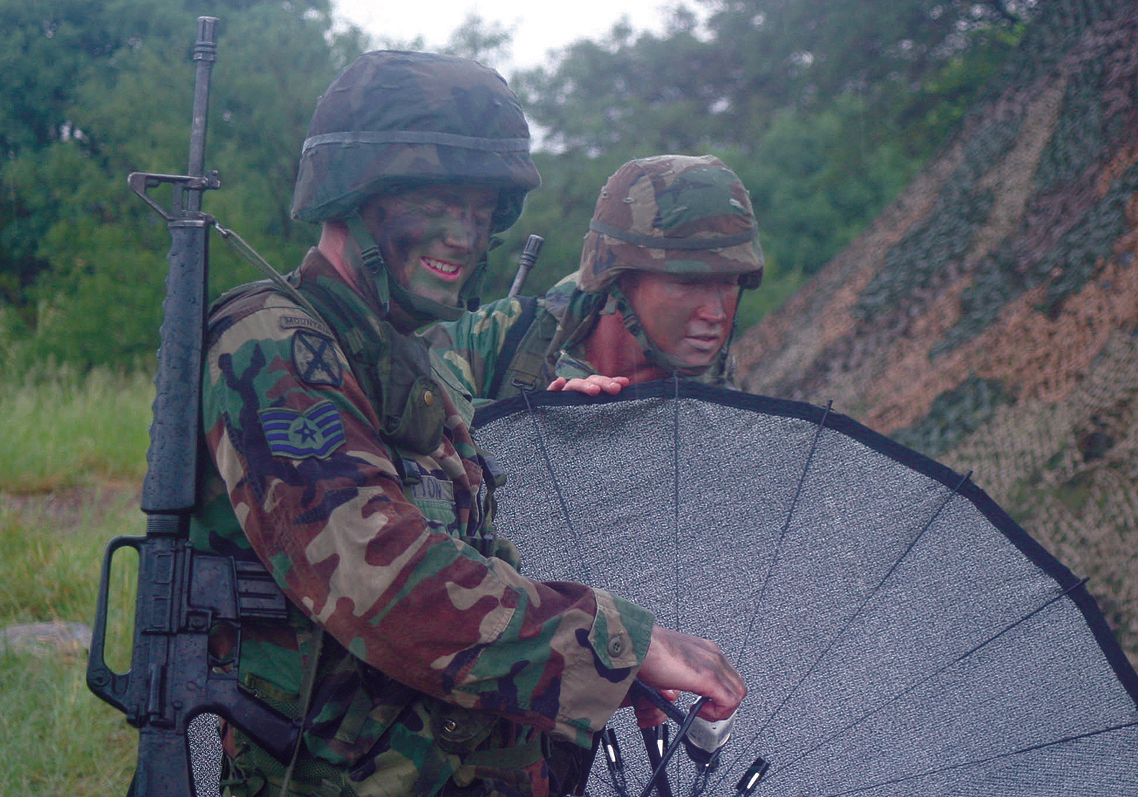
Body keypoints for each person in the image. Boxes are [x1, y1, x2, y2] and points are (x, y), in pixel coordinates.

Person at [190, 52, 744, 797]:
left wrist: (616, 677)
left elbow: (477, 565)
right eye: (439, 204)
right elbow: (378, 579)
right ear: (355, 193)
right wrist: (615, 645)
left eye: (481, 212)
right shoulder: (270, 342)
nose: (463, 236)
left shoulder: (410, 363)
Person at [423, 154, 764, 402]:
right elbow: (400, 424)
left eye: (729, 283)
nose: (715, 313)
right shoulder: (494, 340)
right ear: (617, 280)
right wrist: (533, 425)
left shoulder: (722, 407)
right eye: (688, 283)